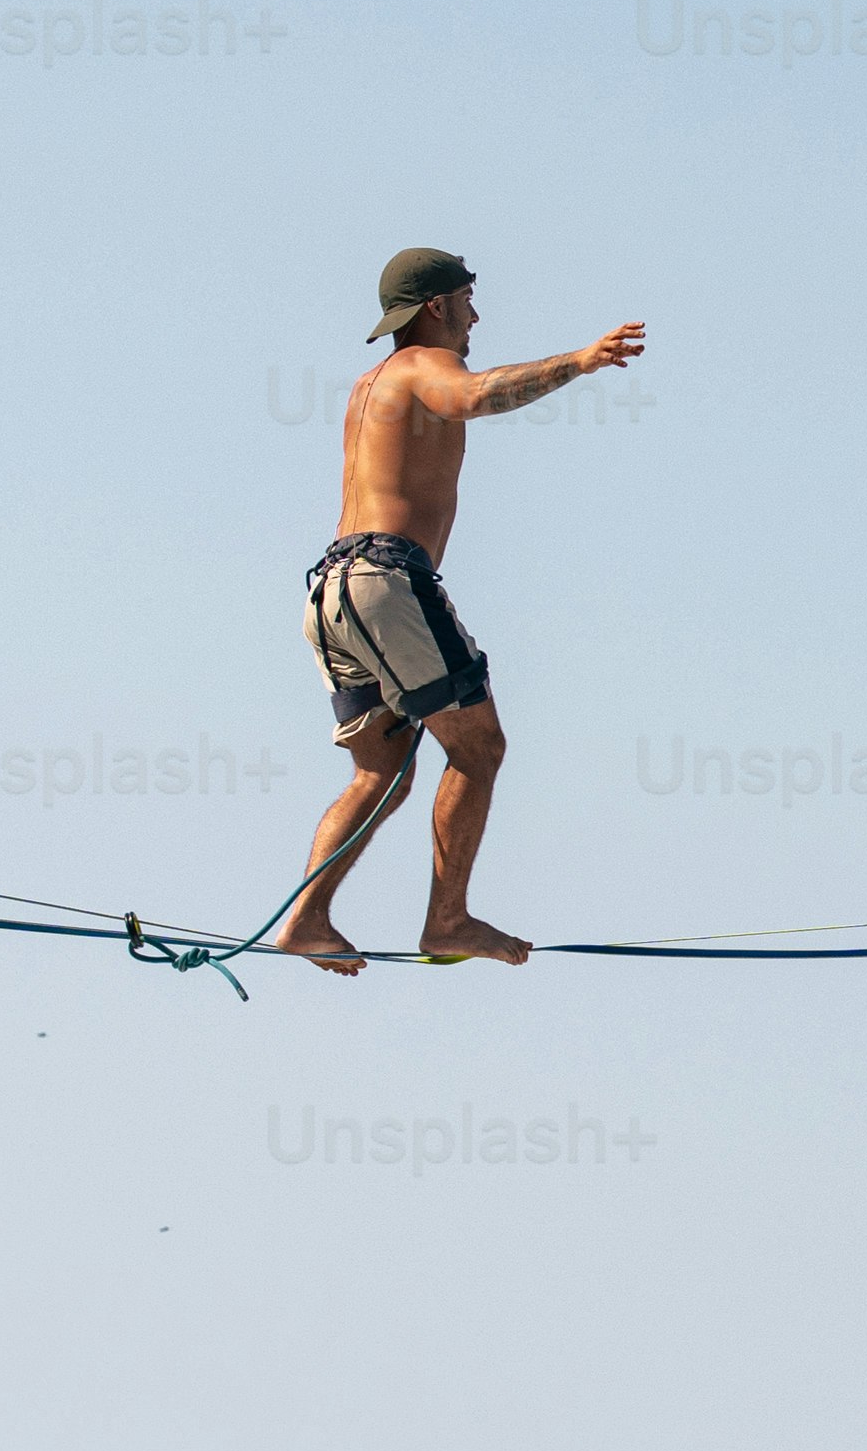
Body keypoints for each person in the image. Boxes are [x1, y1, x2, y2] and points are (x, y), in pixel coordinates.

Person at [265, 245, 643, 973]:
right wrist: (580, 361)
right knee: (478, 747)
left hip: (330, 590)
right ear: (435, 307)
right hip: (386, 579)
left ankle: (307, 920)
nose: (477, 316)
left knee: (382, 772)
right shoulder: (419, 367)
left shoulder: (370, 382)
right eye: (469, 299)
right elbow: (477, 395)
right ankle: (447, 920)